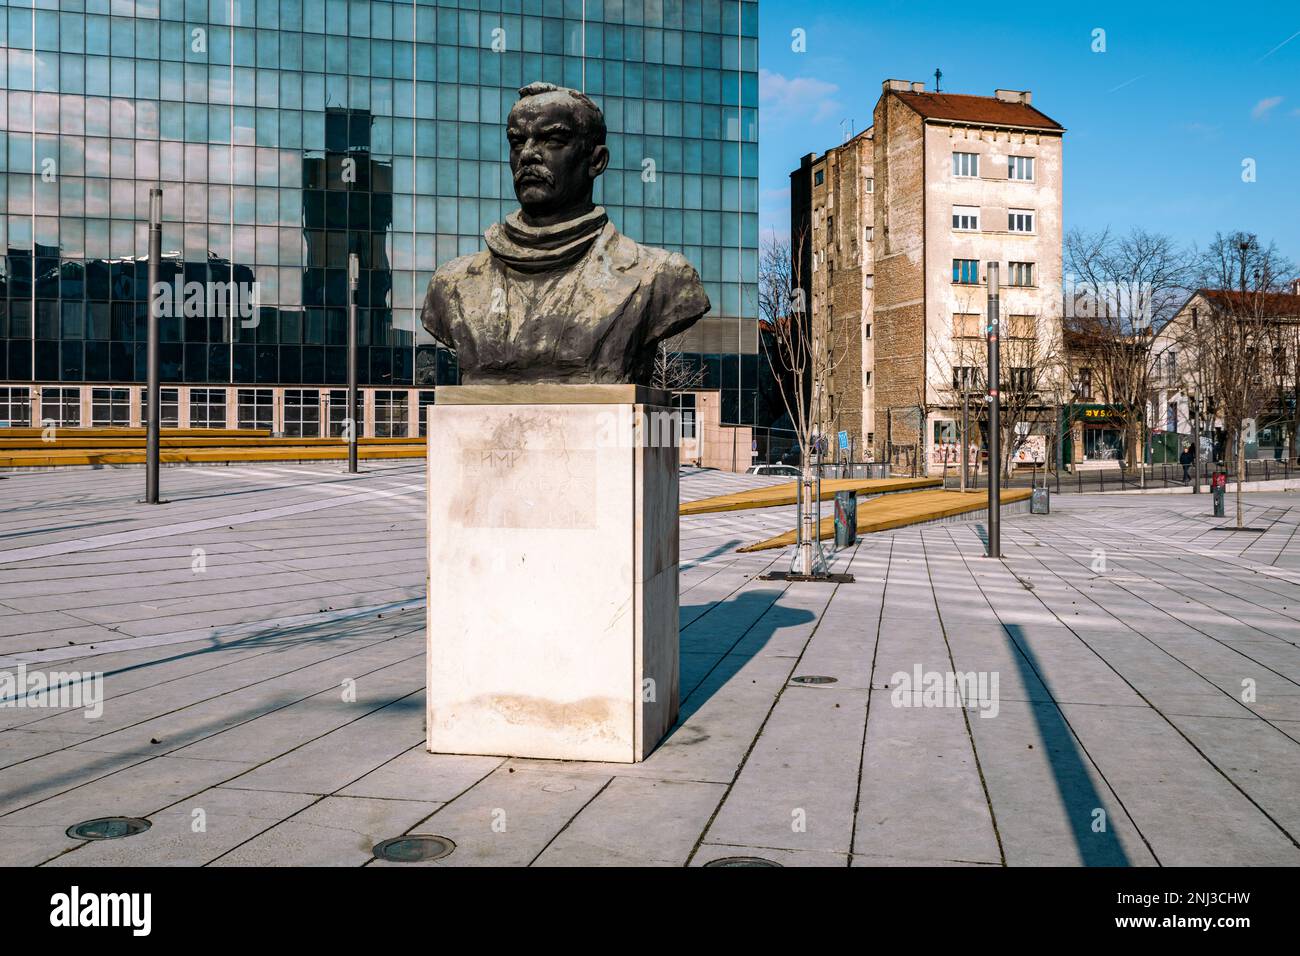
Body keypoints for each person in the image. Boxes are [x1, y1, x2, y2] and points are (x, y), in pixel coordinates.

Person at [421, 82, 710, 385]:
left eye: (553, 140)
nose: (528, 154)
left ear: (596, 161)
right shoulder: (452, 285)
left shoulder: (659, 276)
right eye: (517, 142)